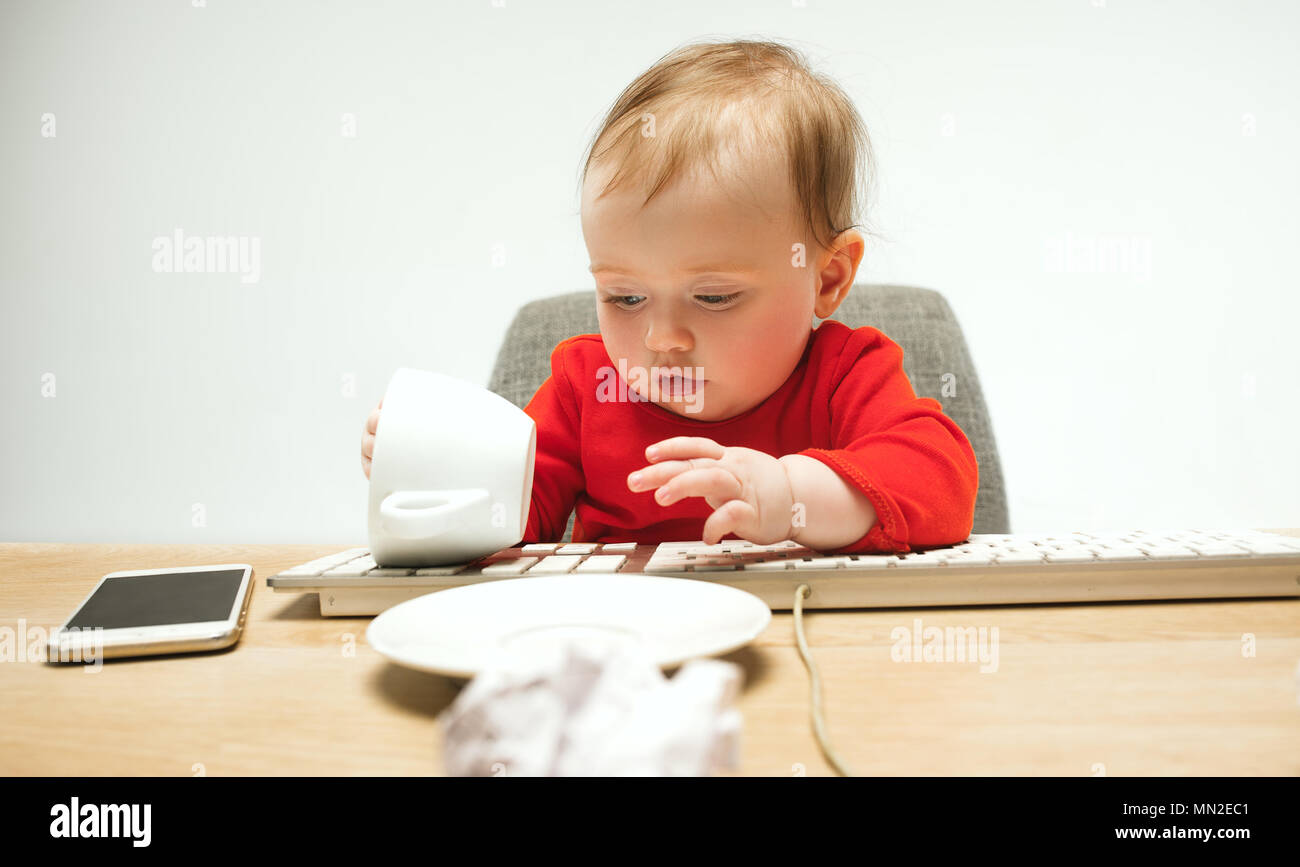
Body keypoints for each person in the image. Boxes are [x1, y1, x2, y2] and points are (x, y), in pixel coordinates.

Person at [365, 38, 978, 554]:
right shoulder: (585, 386)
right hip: (624, 651)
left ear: (827, 279)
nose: (660, 340)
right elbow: (509, 528)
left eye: (712, 297)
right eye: (624, 298)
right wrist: (436, 471)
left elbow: (942, 481)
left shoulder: (847, 375)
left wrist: (792, 495)